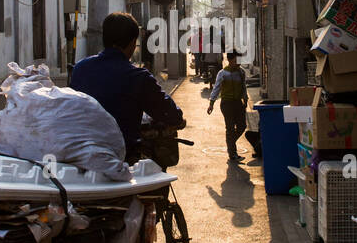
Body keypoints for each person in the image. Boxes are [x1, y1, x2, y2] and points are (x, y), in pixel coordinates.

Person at [71, 10, 185, 162]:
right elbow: (170, 113)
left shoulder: (80, 68)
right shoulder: (138, 77)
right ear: (132, 43)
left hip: (78, 153)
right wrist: (178, 120)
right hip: (122, 156)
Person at [207, 49, 249, 161]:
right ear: (230, 60)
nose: (238, 63)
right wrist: (211, 103)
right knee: (230, 129)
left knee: (242, 126)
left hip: (238, 103)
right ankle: (232, 153)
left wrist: (245, 99)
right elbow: (216, 89)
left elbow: (244, 87)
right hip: (227, 104)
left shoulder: (241, 72)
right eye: (236, 60)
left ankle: (230, 144)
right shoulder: (222, 73)